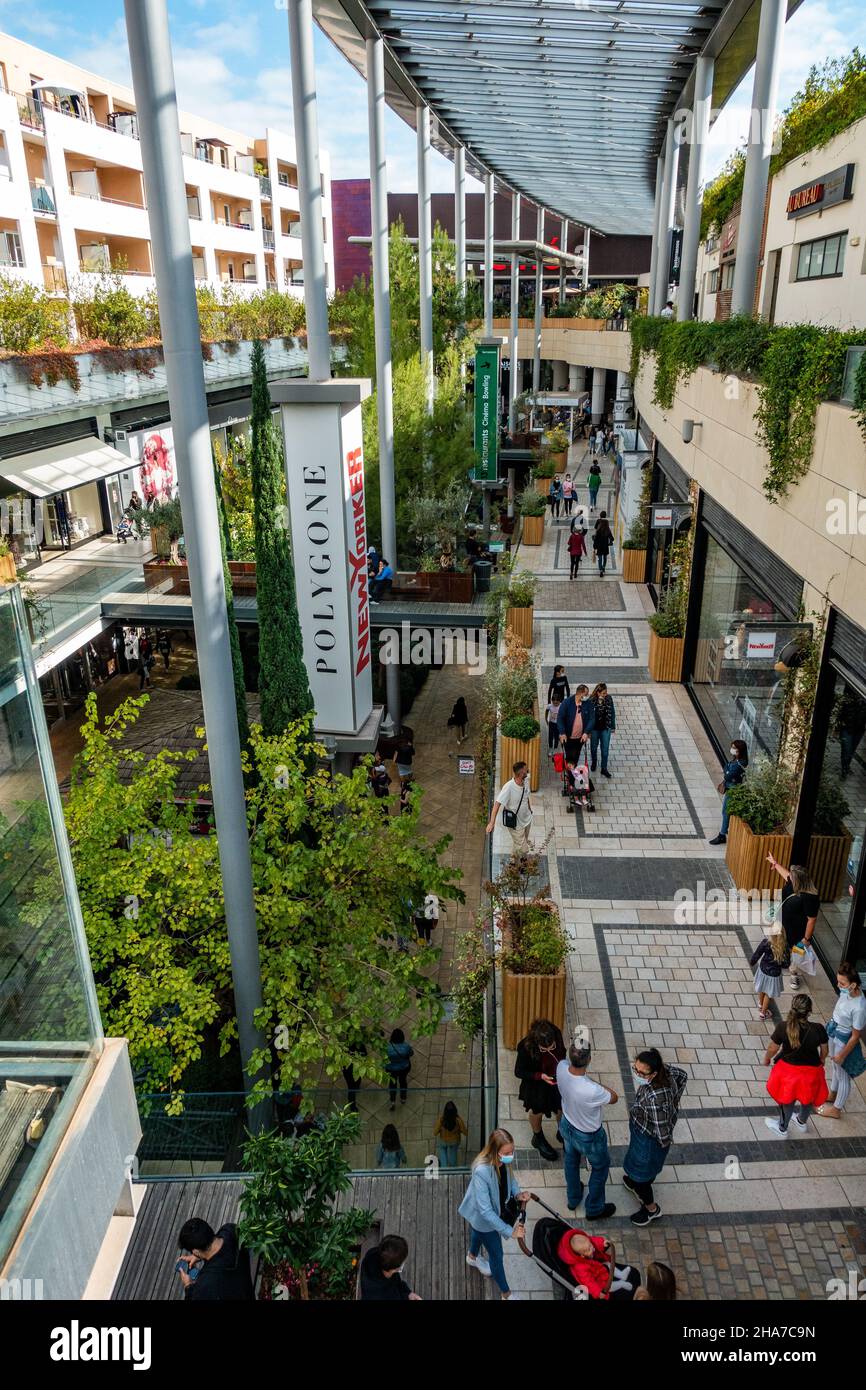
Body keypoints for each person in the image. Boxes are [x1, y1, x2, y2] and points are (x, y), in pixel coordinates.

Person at [458, 1128, 529, 1301]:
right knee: (497, 1257)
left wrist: (517, 1194)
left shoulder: (502, 1161)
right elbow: (485, 1211)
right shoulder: (482, 1171)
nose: (510, 1155)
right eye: (507, 1153)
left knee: (478, 1232)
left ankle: (472, 1257)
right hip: (484, 1220)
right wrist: (509, 1231)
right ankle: (506, 1294)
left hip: (483, 1219)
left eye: (512, 1151)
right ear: (495, 1151)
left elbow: (510, 1179)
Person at [621, 1048, 687, 1227]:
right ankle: (635, 1180)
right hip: (641, 1129)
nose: (637, 1074)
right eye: (635, 1069)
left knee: (643, 1176)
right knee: (636, 1165)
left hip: (648, 1139)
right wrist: (675, 1100)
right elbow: (683, 1075)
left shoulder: (656, 1098)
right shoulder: (668, 1072)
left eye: (642, 1073)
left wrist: (659, 1149)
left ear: (654, 1073)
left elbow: (663, 1131)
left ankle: (651, 1209)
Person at [555, 1040, 617, 1220]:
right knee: (600, 1168)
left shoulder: (561, 1067)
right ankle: (594, 1208)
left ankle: (573, 1198)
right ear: (589, 1059)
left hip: (567, 1125)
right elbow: (614, 1097)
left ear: (570, 1056)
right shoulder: (592, 1090)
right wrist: (593, 1082)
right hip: (589, 1136)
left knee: (571, 1162)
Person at [763, 993, 829, 1135]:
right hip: (811, 1071)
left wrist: (767, 1059)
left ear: (793, 1008)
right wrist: (822, 1060)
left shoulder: (783, 1027)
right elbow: (824, 1050)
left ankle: (782, 1128)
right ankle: (801, 1121)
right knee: (808, 1097)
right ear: (809, 1011)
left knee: (787, 1099)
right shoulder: (818, 1029)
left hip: (790, 1071)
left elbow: (772, 1048)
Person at [816, 962, 866, 1119]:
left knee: (843, 1073)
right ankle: (833, 1093)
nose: (839, 986)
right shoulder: (848, 992)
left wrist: (843, 1055)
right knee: (835, 1067)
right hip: (834, 1031)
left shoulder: (859, 1007)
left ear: (853, 984)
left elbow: (855, 1036)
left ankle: (836, 1109)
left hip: (843, 1039)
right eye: (838, 982)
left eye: (842, 983)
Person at [514, 1018, 566, 1161]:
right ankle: (538, 1137)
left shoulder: (555, 1033)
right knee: (537, 1111)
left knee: (562, 1106)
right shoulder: (525, 1047)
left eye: (552, 1047)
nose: (549, 1050)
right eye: (545, 1049)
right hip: (537, 1085)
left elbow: (562, 1052)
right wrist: (539, 1075)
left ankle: (562, 1132)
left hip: (556, 1080)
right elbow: (518, 1071)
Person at [765, 857, 819, 990]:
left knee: (796, 952)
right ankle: (781, 959)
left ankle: (794, 973)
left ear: (799, 880)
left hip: (797, 931)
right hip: (782, 924)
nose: (789, 877)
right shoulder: (793, 884)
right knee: (780, 944)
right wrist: (776, 864)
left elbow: (812, 920)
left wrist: (806, 939)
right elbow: (786, 875)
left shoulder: (810, 898)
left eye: (792, 876)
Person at [176, 1217, 254, 1301]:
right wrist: (198, 1256)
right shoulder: (230, 1230)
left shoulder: (204, 1286)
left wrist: (188, 1286)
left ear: (196, 1251)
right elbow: (219, 1249)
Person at [556, 1228, 638, 1300]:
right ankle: (621, 1284)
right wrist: (598, 1292)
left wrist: (602, 1243)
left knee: (608, 1264)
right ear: (582, 1255)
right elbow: (589, 1282)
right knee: (607, 1286)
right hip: (596, 1278)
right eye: (589, 1249)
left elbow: (594, 1241)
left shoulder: (587, 1245)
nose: (592, 1248)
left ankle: (621, 1274)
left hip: (597, 1267)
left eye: (590, 1245)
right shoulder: (580, 1268)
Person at [486, 760, 533, 854]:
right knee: (524, 849)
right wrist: (491, 823)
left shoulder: (526, 780)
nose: (528, 771)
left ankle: (512, 863)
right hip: (516, 824)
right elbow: (497, 804)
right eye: (526, 770)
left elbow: (526, 796)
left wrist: (530, 810)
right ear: (521, 773)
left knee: (518, 844)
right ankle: (522, 867)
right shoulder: (508, 787)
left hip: (527, 819)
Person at [708, 738, 748, 845]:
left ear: (740, 750)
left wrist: (727, 772)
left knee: (726, 812)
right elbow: (726, 768)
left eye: (734, 748)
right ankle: (724, 833)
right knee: (726, 811)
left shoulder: (741, 763)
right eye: (732, 747)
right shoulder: (736, 760)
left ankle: (722, 835)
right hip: (729, 786)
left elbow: (728, 774)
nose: (732, 749)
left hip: (733, 789)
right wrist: (727, 772)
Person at [359, 1235, 422, 1300]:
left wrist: (409, 1294)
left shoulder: (374, 1253)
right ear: (396, 1269)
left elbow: (396, 1281)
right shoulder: (387, 1296)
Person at [750, 920, 787, 1020]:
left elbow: (757, 954)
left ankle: (761, 1004)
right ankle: (763, 1012)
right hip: (774, 975)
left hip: (763, 970)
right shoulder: (784, 948)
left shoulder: (766, 943)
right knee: (768, 994)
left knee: (762, 987)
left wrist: (752, 962)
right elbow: (786, 964)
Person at [558, 682, 595, 764]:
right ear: (580, 693)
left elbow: (592, 719)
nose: (587, 696)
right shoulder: (567, 703)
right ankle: (571, 775)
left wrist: (586, 732)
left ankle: (573, 772)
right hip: (568, 737)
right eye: (586, 694)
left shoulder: (588, 703)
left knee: (576, 755)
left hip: (580, 737)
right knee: (570, 757)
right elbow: (560, 718)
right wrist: (562, 732)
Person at [835, 689, 866, 778]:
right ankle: (844, 769)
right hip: (847, 727)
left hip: (859, 729)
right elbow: (842, 710)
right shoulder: (849, 694)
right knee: (846, 749)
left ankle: (846, 766)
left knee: (851, 750)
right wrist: (837, 727)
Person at [589, 682, 616, 778]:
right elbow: (591, 716)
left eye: (606, 692)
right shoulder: (592, 701)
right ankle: (594, 762)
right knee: (593, 748)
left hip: (605, 728)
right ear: (598, 693)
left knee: (605, 750)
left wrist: (613, 726)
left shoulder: (609, 699)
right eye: (604, 693)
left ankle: (604, 768)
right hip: (594, 729)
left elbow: (612, 712)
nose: (606, 694)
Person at [434, 1100, 468, 1168]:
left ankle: (444, 1169)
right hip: (454, 1141)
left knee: (443, 1152)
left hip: (443, 1141)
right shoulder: (458, 1120)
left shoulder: (441, 1120)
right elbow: (465, 1132)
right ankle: (453, 1169)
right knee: (453, 1155)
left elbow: (435, 1132)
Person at [385, 1028, 413, 1109]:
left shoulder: (388, 1047)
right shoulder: (406, 1046)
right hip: (403, 1068)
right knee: (403, 1082)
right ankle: (403, 1098)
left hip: (391, 1069)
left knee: (392, 1084)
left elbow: (384, 1057)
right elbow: (411, 1054)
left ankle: (393, 1101)